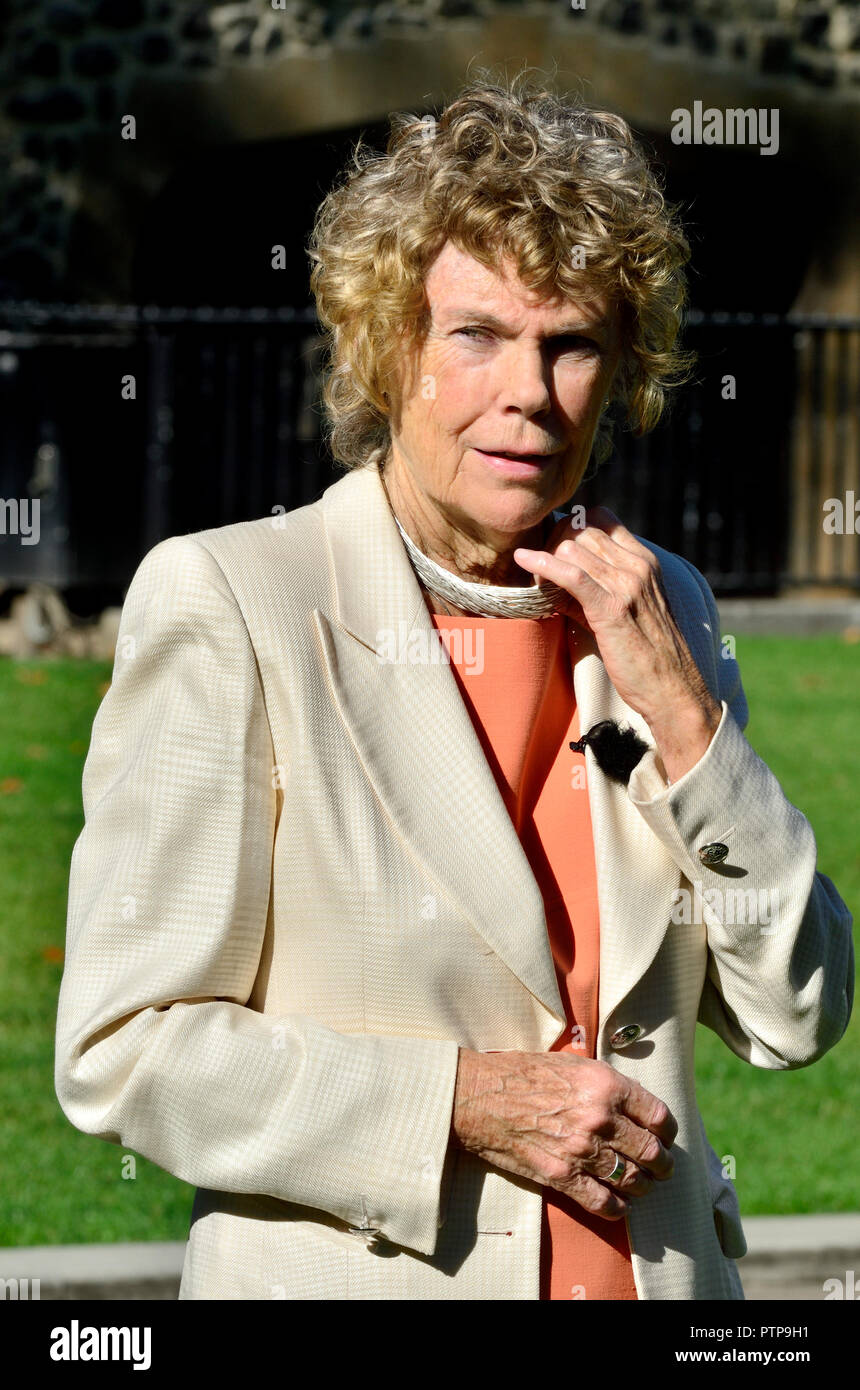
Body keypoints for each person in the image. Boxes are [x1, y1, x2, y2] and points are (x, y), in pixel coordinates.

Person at [55, 70, 853, 1301]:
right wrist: (464, 1102)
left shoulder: (665, 605)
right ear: (387, 349)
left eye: (571, 342)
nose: (527, 395)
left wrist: (688, 720)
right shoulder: (233, 602)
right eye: (474, 335)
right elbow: (125, 1049)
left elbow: (793, 1016)